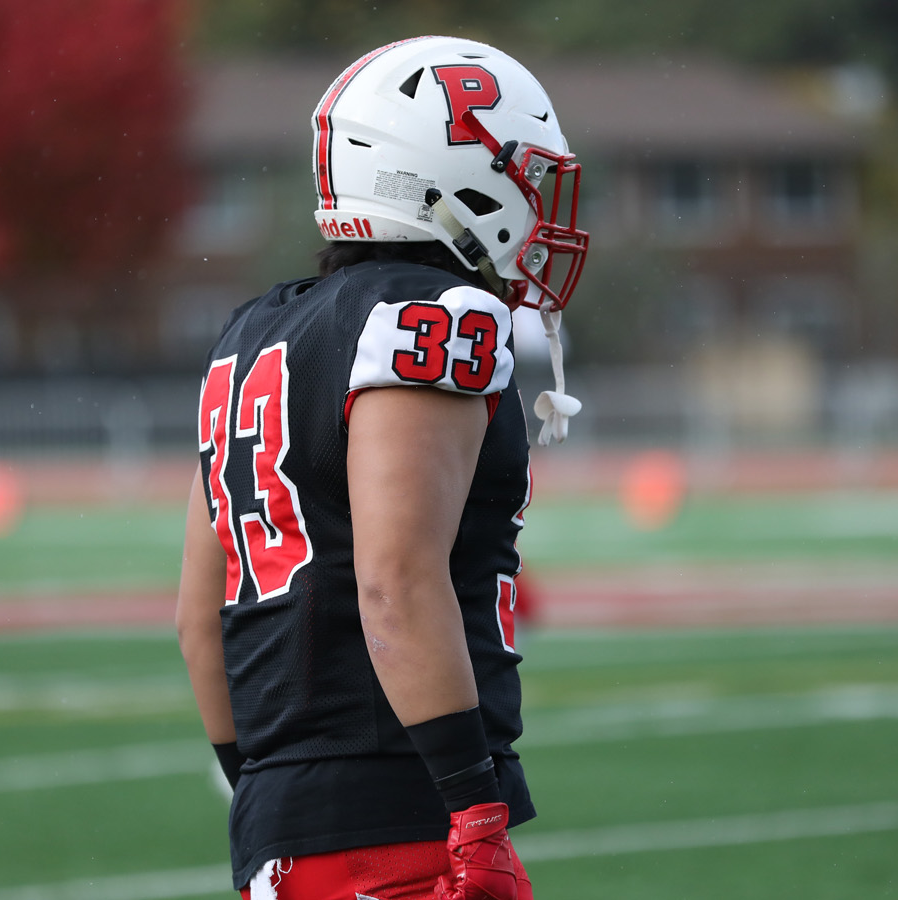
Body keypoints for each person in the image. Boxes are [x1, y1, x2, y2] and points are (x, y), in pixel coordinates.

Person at [175, 36, 588, 900]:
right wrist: (474, 812)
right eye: (520, 173)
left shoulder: (254, 331)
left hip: (280, 831)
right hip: (401, 821)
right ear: (447, 174)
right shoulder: (434, 315)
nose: (536, 203)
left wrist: (269, 789)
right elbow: (395, 579)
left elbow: (198, 619)